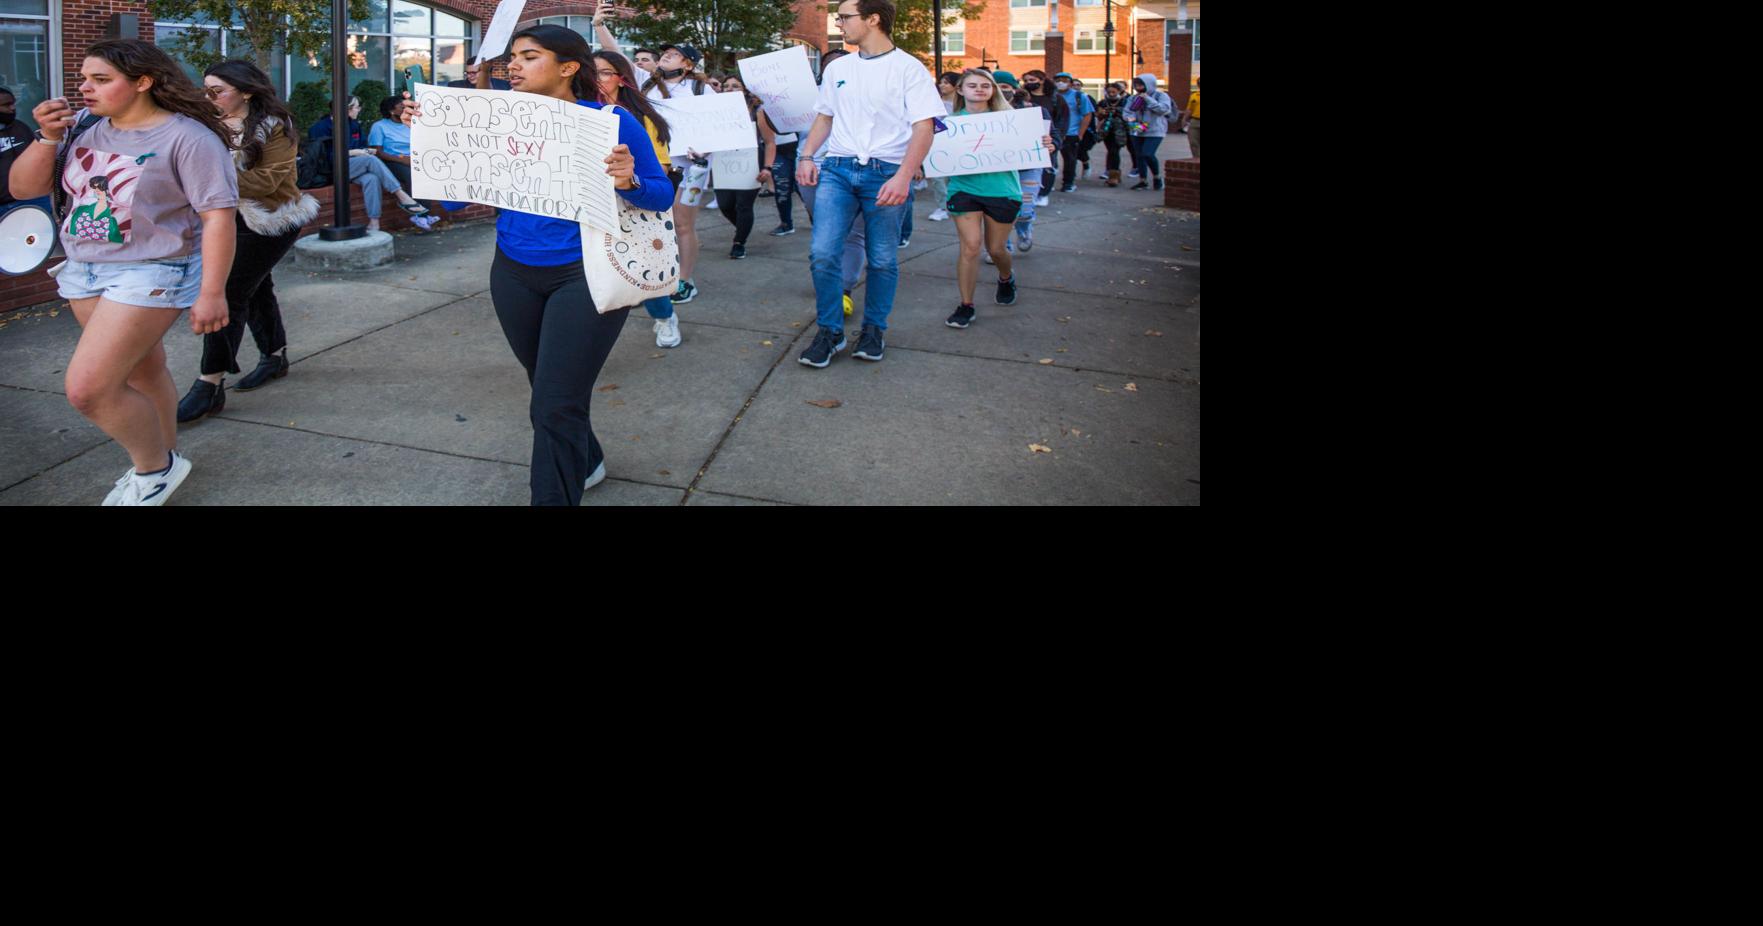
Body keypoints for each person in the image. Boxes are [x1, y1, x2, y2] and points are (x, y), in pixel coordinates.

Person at [402, 25, 671, 505]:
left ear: (568, 67)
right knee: (549, 388)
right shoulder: (496, 118)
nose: (513, 65)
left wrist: (628, 180)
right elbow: (452, 201)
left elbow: (661, 193)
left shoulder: (610, 120)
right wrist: (429, 140)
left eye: (529, 56)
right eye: (512, 57)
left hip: (584, 274)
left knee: (553, 402)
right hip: (513, 273)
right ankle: (584, 458)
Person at [10, 39, 238, 505]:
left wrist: (212, 291)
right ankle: (167, 455)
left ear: (143, 82)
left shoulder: (188, 138)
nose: (84, 89)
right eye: (83, 79)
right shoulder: (83, 129)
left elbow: (218, 216)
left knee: (88, 390)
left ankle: (154, 470)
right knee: (142, 371)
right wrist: (48, 138)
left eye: (101, 79)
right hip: (84, 268)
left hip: (153, 270)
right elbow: (22, 188)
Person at [794, 0, 943, 368]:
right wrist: (807, 155)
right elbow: (824, 116)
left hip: (885, 173)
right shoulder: (839, 68)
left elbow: (924, 127)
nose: (839, 23)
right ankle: (830, 331)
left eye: (845, 17)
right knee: (823, 252)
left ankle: (874, 329)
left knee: (882, 259)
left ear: (872, 19)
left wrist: (904, 176)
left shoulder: (909, 69)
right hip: (838, 170)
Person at [176, 60, 319, 423]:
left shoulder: (275, 127)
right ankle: (275, 356)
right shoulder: (204, 124)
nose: (208, 97)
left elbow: (269, 181)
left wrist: (206, 179)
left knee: (228, 293)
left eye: (217, 91)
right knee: (257, 289)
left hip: (272, 219)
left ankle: (209, 385)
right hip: (223, 219)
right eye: (204, 89)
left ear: (246, 91)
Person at [942, 69, 1053, 330]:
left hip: (1002, 190)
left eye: (985, 85)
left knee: (996, 250)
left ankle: (1005, 277)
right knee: (970, 246)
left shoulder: (1012, 120)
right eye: (972, 85)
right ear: (960, 90)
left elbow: (1040, 144)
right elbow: (926, 145)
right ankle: (966, 305)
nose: (979, 89)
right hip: (963, 189)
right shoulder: (947, 122)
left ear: (993, 90)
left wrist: (1046, 143)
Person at [590, 48, 684, 350]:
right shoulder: (580, 110)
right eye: (591, 72)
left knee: (642, 268)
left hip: (631, 206)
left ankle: (665, 316)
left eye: (604, 72)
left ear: (622, 79)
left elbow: (660, 170)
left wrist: (627, 180)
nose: (596, 79)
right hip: (592, 206)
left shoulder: (641, 118)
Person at [308, 97, 432, 232]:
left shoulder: (353, 124)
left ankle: (374, 222)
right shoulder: (320, 128)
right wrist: (355, 152)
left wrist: (363, 151)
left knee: (372, 179)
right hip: (332, 168)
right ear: (346, 109)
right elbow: (324, 156)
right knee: (371, 160)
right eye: (356, 107)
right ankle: (401, 195)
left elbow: (363, 146)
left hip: (353, 166)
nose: (359, 109)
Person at [713, 75, 775, 260]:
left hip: (751, 163)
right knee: (725, 205)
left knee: (743, 206)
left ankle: (739, 243)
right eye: (726, 86)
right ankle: (743, 228)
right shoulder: (715, 111)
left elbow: (770, 142)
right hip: (722, 164)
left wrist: (767, 168)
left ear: (744, 90)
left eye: (735, 86)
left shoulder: (757, 112)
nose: (730, 89)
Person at [370, 95, 448, 226]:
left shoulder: (410, 123)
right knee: (412, 175)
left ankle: (424, 215)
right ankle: (420, 215)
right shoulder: (379, 126)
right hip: (392, 160)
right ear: (391, 111)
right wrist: (402, 160)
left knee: (427, 174)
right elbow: (377, 152)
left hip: (414, 159)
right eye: (402, 107)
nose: (406, 109)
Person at [1017, 70, 1066, 207]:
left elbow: (1061, 120)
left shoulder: (1055, 99)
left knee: (1048, 167)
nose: (1028, 83)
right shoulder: (1021, 100)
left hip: (1045, 139)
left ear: (1042, 80)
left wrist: (1056, 141)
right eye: (1026, 81)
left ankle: (1043, 193)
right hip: (1025, 144)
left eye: (1032, 80)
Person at [0, 87, 48, 210]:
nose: (13, 108)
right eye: (6, 105)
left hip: (33, 199)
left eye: (13, 103)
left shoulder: (20, 127)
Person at [923, 71, 961, 223]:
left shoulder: (961, 105)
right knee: (938, 179)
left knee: (955, 179)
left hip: (957, 146)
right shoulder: (932, 102)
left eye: (946, 82)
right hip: (935, 145)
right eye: (941, 82)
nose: (942, 85)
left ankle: (955, 204)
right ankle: (943, 207)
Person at [1125, 73, 1173, 190]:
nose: (1138, 87)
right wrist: (1133, 123)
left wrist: (1147, 98)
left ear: (1149, 84)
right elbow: (1127, 112)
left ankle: (1157, 178)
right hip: (1137, 128)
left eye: (1141, 84)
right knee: (1139, 155)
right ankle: (1143, 180)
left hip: (1155, 130)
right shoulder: (1133, 98)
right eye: (1136, 85)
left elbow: (1164, 110)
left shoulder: (1160, 95)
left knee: (1148, 153)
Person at [1050, 72, 1093, 192]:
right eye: (1057, 80)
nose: (1060, 83)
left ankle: (1068, 183)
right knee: (1050, 160)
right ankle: (1048, 182)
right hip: (1053, 132)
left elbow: (1087, 115)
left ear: (1070, 82)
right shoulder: (1052, 96)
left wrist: (1080, 134)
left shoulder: (1079, 96)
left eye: (1064, 80)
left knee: (1070, 160)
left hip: (1071, 133)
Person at [1094, 81, 1131, 187]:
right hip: (1106, 131)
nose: (1111, 94)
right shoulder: (1103, 103)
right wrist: (1101, 113)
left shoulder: (1125, 102)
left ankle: (1114, 175)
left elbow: (1130, 115)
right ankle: (1112, 173)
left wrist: (1117, 111)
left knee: (1114, 151)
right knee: (1111, 151)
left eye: (1113, 92)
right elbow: (1098, 115)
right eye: (1109, 92)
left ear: (1119, 91)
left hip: (1121, 131)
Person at [446, 58, 511, 90]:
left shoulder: (504, 85)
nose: (469, 76)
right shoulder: (455, 87)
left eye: (473, 73)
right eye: (467, 73)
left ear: (485, 70)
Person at [1183, 77, 1201, 158]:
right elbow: (1189, 109)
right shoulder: (1194, 95)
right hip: (1195, 121)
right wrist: (1184, 119)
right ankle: (1196, 161)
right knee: (1193, 142)